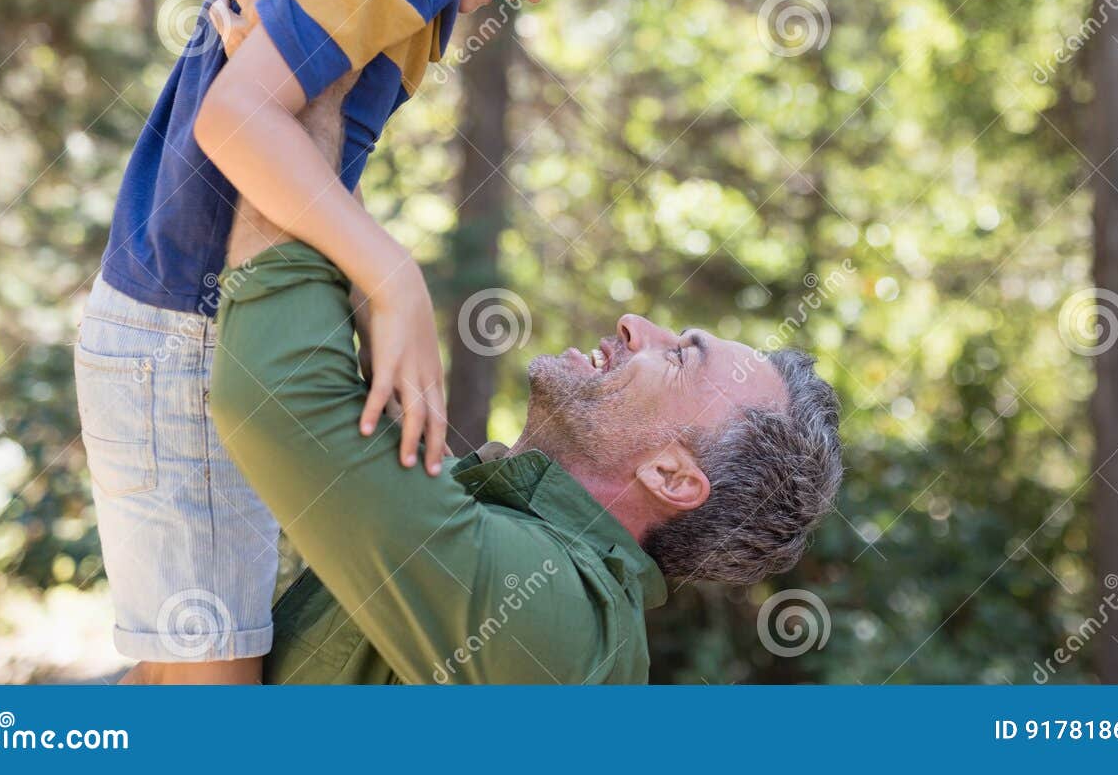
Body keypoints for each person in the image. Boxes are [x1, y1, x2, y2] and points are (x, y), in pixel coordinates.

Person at [74, 0, 641, 683]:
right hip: (183, 332)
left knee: (187, 657)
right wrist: (389, 275)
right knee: (215, 678)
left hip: (175, 329)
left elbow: (307, 153)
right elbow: (239, 120)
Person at [206, 67, 844, 683]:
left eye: (678, 356)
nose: (633, 324)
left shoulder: (554, 628)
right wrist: (320, 105)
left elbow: (276, 395)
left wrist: (293, 81)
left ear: (671, 476)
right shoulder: (501, 521)